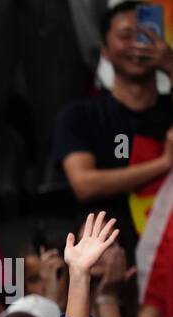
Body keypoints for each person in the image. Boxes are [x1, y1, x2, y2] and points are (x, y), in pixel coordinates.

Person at [53, 1, 173, 256]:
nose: (138, 45)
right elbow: (84, 184)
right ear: (105, 50)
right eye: (125, 35)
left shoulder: (168, 109)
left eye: (146, 34)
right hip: (107, 248)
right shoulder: (81, 114)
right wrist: (163, 163)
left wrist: (171, 66)